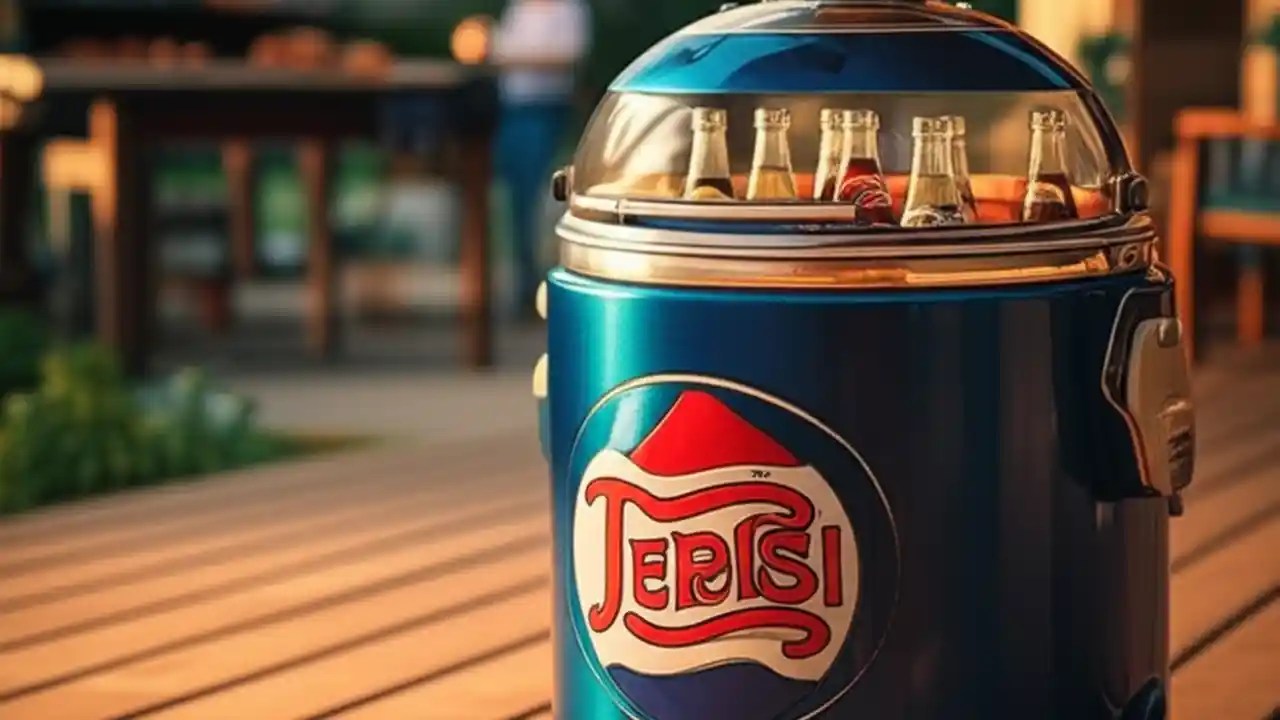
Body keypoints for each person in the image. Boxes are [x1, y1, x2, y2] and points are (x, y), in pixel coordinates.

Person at [491, 0, 592, 318]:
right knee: (516, 201)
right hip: (513, 110)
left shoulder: (569, 10)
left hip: (546, 109)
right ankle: (523, 283)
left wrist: (511, 58)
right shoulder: (518, 8)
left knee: (542, 201)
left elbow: (568, 57)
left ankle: (551, 284)